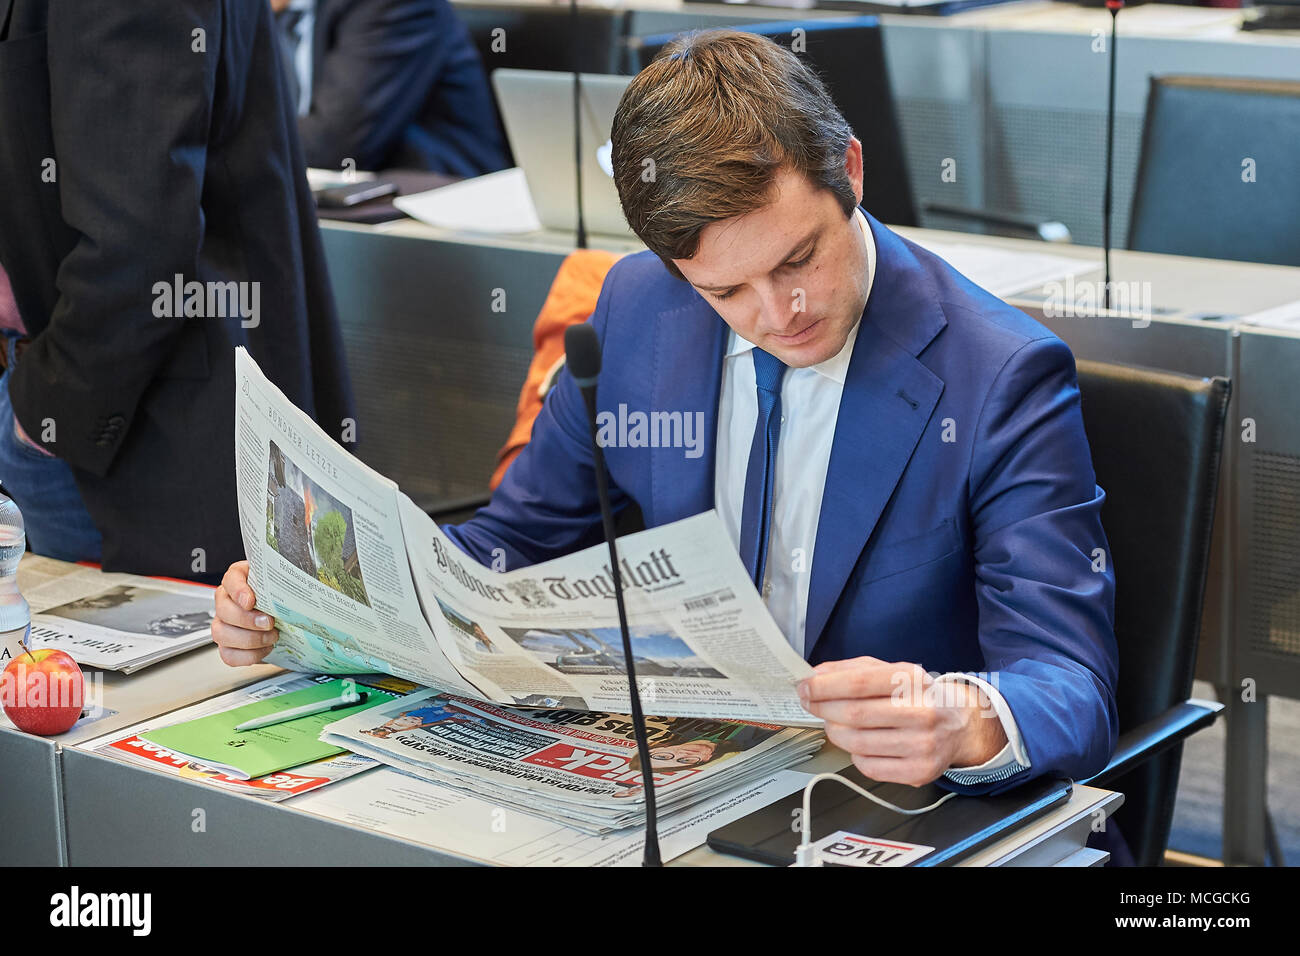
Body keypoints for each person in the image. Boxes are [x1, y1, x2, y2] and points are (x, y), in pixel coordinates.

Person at [213, 29, 1118, 799]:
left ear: (849, 170)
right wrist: (320, 599)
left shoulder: (999, 375)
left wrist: (966, 721)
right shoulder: (639, 309)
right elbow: (517, 544)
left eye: (799, 258)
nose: (779, 314)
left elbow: (1072, 685)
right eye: (727, 290)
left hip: (877, 799)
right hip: (684, 772)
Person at [0, 0, 355, 579]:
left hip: (127, 429)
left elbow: (137, 239)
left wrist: (45, 412)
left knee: (100, 668)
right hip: (94, 403)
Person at [272, 0, 509, 176]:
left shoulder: (393, 4)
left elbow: (332, 146)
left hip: (438, 200)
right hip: (343, 198)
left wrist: (241, 153)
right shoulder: (262, 12)